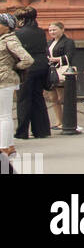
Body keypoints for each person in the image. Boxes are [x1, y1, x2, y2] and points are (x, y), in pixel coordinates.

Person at [0, 12, 33, 170]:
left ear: (7, 27)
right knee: (3, 114)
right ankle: (8, 145)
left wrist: (12, 68)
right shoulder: (3, 39)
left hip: (4, 81)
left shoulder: (10, 39)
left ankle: (4, 147)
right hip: (3, 80)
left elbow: (27, 59)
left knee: (4, 115)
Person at [14, 6, 51, 140]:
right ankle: (41, 130)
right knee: (38, 97)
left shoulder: (18, 34)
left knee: (23, 99)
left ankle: (22, 132)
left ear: (22, 19)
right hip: (42, 66)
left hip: (27, 67)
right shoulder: (41, 32)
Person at [46, 21, 78, 131]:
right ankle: (58, 121)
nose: (52, 32)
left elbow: (70, 55)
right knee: (52, 98)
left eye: (54, 29)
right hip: (51, 72)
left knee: (61, 98)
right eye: (50, 30)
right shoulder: (49, 43)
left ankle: (66, 121)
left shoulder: (68, 42)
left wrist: (58, 59)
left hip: (62, 71)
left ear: (62, 29)